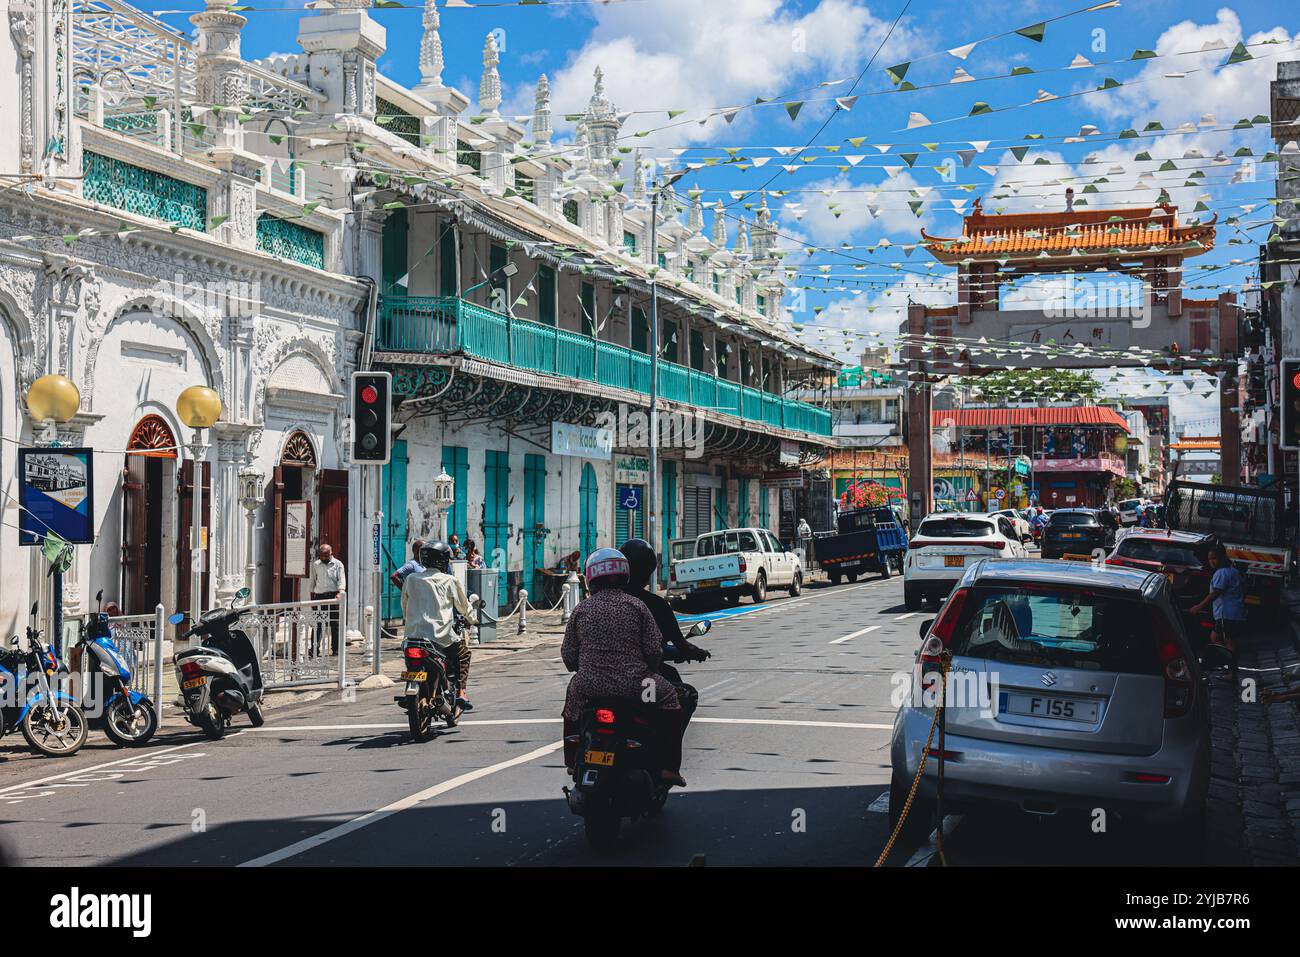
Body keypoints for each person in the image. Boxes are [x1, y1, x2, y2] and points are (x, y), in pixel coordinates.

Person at [561, 548, 687, 787]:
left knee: (571, 709)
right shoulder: (637, 606)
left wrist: (586, 668)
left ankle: (570, 760)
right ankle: (669, 768)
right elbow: (653, 651)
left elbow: (568, 656)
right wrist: (648, 667)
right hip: (637, 685)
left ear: (590, 578)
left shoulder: (581, 610)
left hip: (589, 685)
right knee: (671, 699)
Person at [619, 539, 710, 724]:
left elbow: (570, 656)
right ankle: (667, 750)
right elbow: (656, 651)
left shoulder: (592, 606)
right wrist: (692, 652)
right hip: (642, 683)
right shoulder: (653, 605)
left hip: (598, 684)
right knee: (683, 698)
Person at [402, 542, 475, 711]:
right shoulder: (450, 580)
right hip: (440, 637)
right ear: (443, 560)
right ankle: (461, 692)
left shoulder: (411, 578)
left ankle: (411, 689)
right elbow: (464, 606)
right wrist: (471, 618)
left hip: (412, 636)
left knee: (410, 663)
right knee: (463, 654)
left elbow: (405, 605)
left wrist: (410, 620)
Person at [1190, 544, 1246, 681]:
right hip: (1232, 613)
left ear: (1221, 557)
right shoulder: (1233, 571)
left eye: (1214, 558)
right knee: (1215, 637)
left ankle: (1231, 670)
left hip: (1227, 614)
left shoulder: (1222, 573)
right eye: (1210, 559)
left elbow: (1216, 593)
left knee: (1229, 642)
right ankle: (1228, 664)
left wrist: (1199, 606)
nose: (1212, 561)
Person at [308, 544, 346, 655]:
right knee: (318, 624)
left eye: (326, 555)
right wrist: (312, 598)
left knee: (335, 624)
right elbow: (312, 581)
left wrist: (340, 592)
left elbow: (341, 579)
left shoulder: (338, 564)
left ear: (331, 553)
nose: (324, 558)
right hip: (319, 596)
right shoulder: (315, 564)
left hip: (333, 596)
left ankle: (336, 649)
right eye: (322, 555)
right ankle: (314, 649)